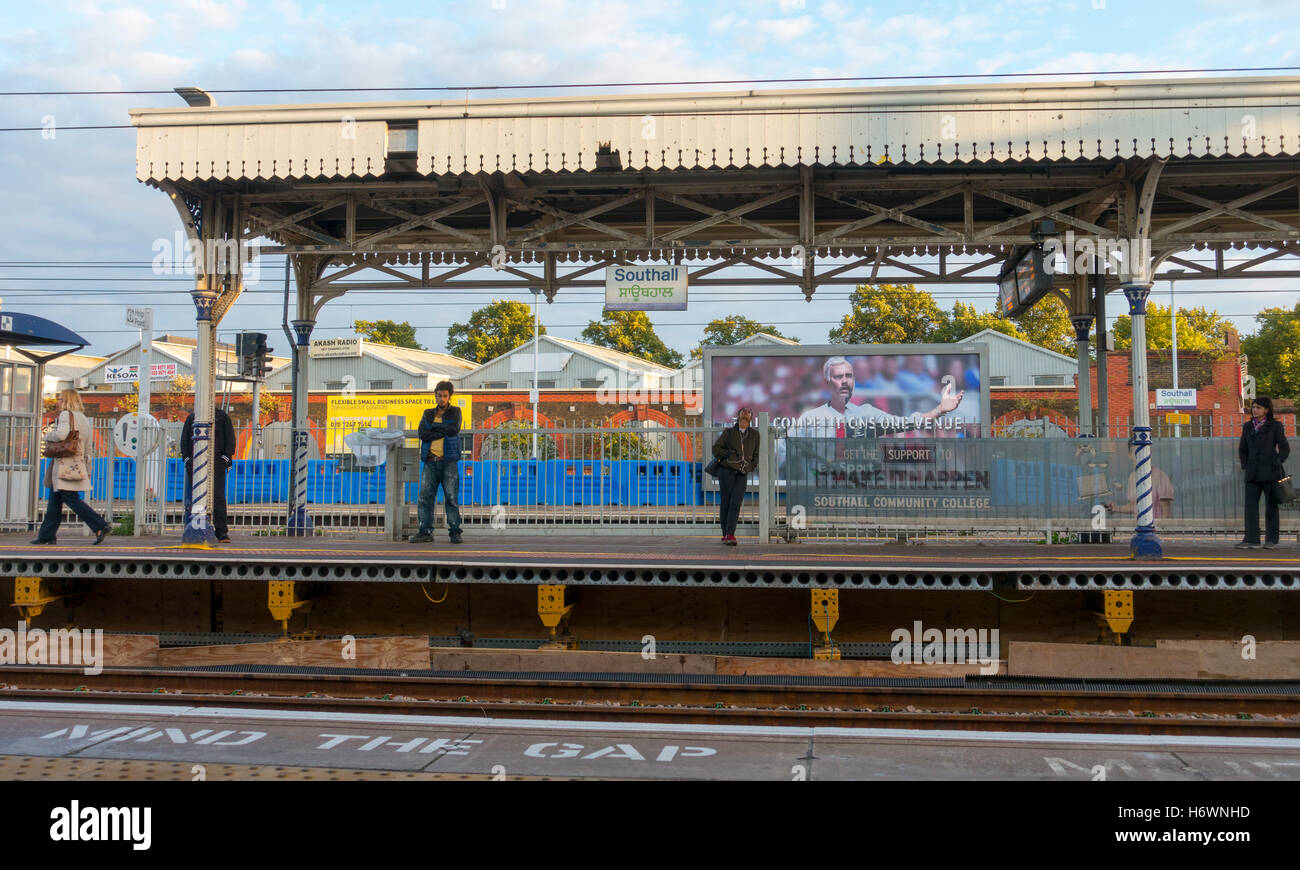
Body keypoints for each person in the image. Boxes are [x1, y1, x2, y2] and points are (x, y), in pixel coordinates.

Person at [795, 356, 964, 436]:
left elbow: (905, 423)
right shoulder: (810, 417)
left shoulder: (867, 413)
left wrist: (939, 410)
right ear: (827, 382)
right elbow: (785, 451)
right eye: (839, 377)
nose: (845, 381)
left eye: (849, 376)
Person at [32, 389, 112, 545]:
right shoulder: (83, 419)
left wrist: (48, 435)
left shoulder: (65, 415)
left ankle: (100, 525)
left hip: (64, 464)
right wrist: (87, 468)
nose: (57, 401)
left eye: (59, 398)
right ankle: (46, 535)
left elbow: (61, 435)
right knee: (55, 501)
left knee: (71, 499)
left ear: (66, 400)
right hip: (76, 463)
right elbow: (88, 447)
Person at [412, 380, 462, 544]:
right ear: (435, 396)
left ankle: (455, 532)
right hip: (430, 461)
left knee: (451, 497)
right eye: (439, 395)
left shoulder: (455, 412)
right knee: (425, 497)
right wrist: (440, 431)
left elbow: (454, 430)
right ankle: (425, 532)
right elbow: (422, 434)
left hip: (448, 461)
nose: (441, 399)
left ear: (450, 397)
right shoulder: (427, 413)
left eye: (444, 396)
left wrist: (433, 427)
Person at [1237, 397, 1290, 549]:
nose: (1255, 410)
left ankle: (1271, 540)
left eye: (1258, 407)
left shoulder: (1275, 426)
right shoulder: (1248, 426)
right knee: (1251, 506)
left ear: (1266, 409)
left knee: (1271, 506)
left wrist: (1277, 461)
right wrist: (1245, 464)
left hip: (1270, 472)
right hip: (1252, 472)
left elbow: (1284, 447)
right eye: (1253, 407)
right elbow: (1243, 448)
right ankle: (1251, 539)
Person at [181, 406, 236, 543]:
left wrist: (224, 458)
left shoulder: (221, 417)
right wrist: (188, 460)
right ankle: (204, 527)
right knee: (200, 497)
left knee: (217, 497)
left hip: (215, 463)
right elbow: (184, 442)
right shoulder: (192, 418)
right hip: (197, 463)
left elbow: (230, 439)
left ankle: (221, 531)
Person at [712, 407, 760, 546]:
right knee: (726, 502)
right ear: (738, 418)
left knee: (736, 503)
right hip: (726, 471)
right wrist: (728, 455)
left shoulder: (755, 435)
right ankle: (726, 534)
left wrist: (750, 467)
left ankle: (730, 533)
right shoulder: (728, 432)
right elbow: (716, 450)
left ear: (750, 419)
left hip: (742, 473)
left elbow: (756, 456)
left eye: (747, 416)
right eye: (742, 416)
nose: (744, 419)